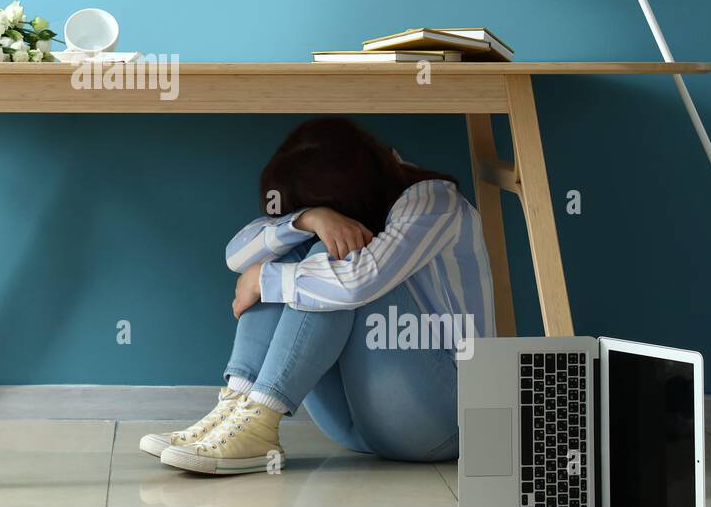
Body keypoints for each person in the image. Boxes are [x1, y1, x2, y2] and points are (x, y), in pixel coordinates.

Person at [140, 117, 495, 475]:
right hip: (353, 426)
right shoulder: (337, 205)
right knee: (294, 253)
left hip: (445, 420)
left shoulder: (433, 201)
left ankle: (260, 419)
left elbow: (358, 281)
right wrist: (308, 219)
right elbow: (237, 255)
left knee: (330, 259)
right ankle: (239, 406)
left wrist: (264, 279)